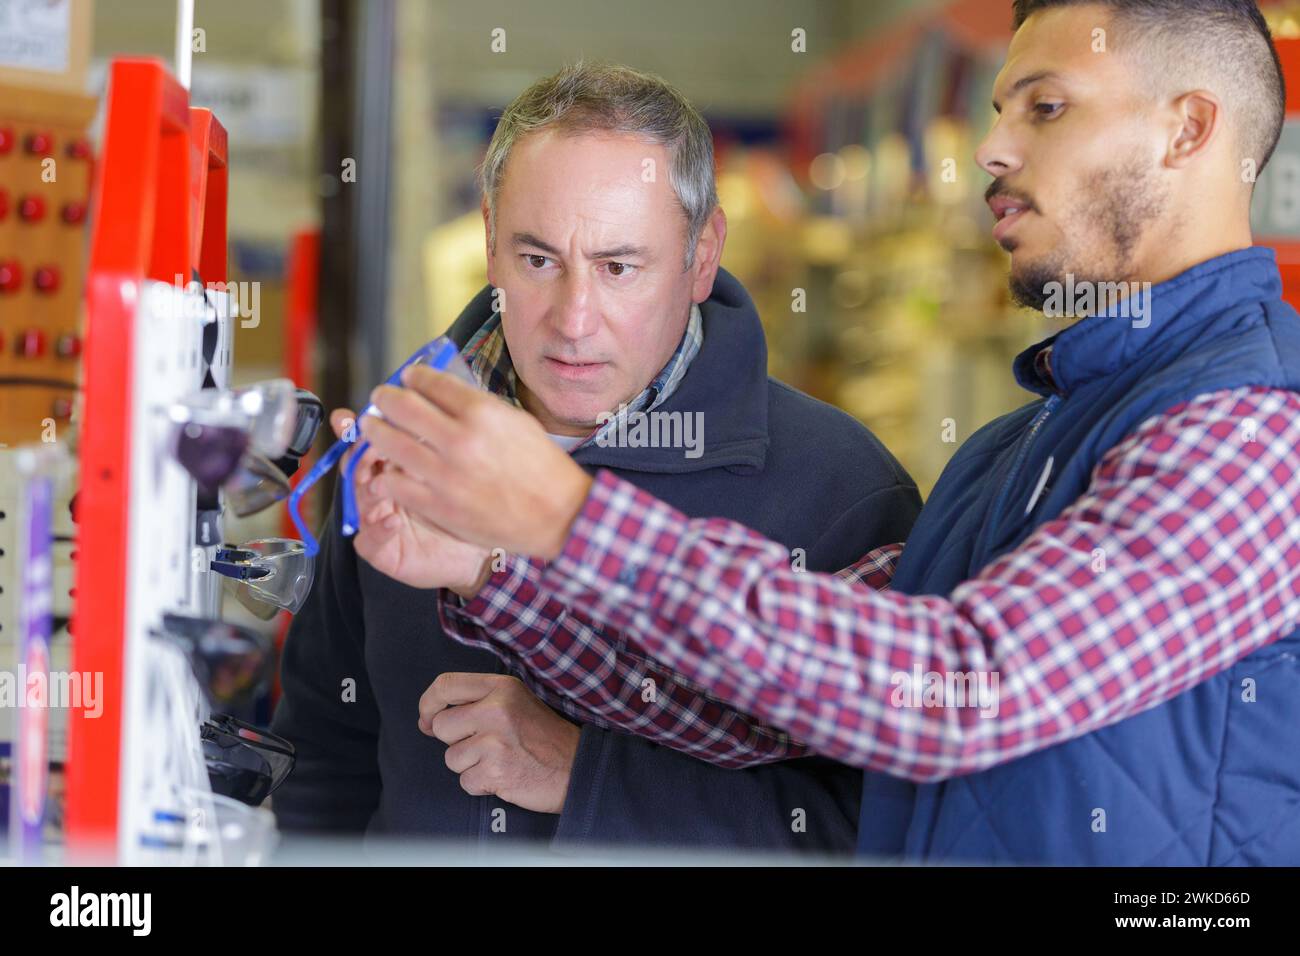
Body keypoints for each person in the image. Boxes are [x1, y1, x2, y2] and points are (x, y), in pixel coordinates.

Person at [357, 0, 1300, 865]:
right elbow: (780, 713)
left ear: (1188, 129)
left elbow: (957, 690)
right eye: (1003, 109)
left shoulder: (1253, 432)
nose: (992, 148)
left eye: (1045, 108)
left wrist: (568, 519)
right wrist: (501, 576)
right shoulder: (1011, 452)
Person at [271, 61, 921, 852]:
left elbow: (857, 834)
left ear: (702, 253)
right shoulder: (409, 442)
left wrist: (590, 778)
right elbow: (325, 762)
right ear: (488, 241)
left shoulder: (843, 488)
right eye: (538, 260)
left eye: (619, 267)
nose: (574, 320)